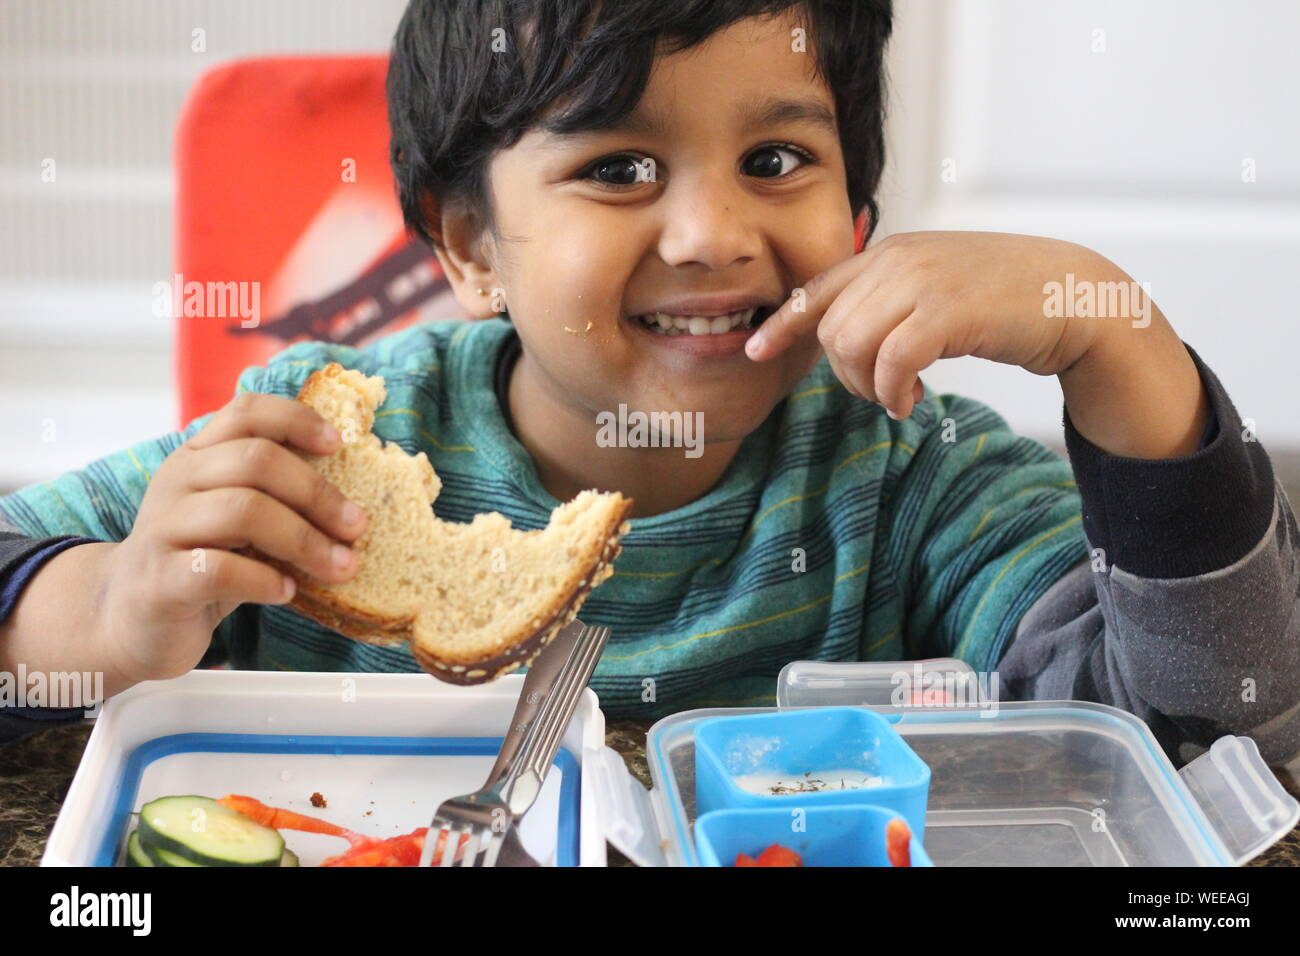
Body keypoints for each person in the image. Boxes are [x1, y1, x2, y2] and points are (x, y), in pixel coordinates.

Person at [2, 0, 1297, 770]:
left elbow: (1212, 733)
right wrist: (114, 618)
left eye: (779, 157)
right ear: (468, 246)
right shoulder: (316, 446)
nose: (713, 234)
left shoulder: (914, 472)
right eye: (621, 170)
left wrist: (1124, 349)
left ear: (860, 209)